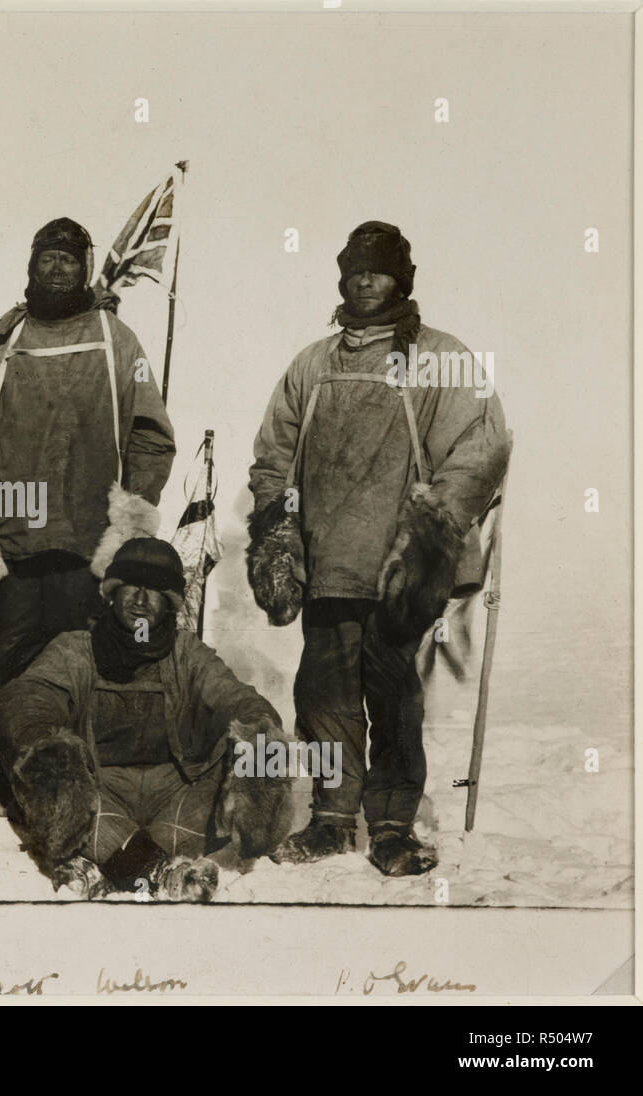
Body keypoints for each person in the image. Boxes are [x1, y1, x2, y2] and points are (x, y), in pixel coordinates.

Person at [246, 220, 511, 876]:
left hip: (397, 568)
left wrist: (432, 524)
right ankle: (334, 820)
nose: (366, 280)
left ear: (402, 279)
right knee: (322, 694)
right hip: (327, 561)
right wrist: (277, 526)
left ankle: (391, 826)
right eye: (356, 269)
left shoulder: (437, 357)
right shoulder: (313, 363)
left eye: (380, 270)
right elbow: (275, 452)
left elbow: (481, 444)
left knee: (391, 694)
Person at [0, 216, 176, 804]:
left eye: (67, 260)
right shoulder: (9, 343)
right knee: (9, 663)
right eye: (45, 257)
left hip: (89, 539)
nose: (55, 268)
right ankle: (3, 782)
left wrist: (134, 513)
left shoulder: (114, 338)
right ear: (30, 266)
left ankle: (78, 779)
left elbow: (151, 433)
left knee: (83, 662)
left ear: (85, 268)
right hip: (17, 538)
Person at [0, 538, 293, 902]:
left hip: (174, 793)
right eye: (131, 586)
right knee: (54, 778)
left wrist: (260, 735)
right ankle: (157, 870)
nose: (140, 598)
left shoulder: (187, 653)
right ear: (112, 593)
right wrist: (41, 738)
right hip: (99, 791)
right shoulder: (76, 648)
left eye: (154, 590)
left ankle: (107, 864)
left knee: (250, 746)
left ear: (169, 602)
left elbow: (236, 697)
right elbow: (30, 695)